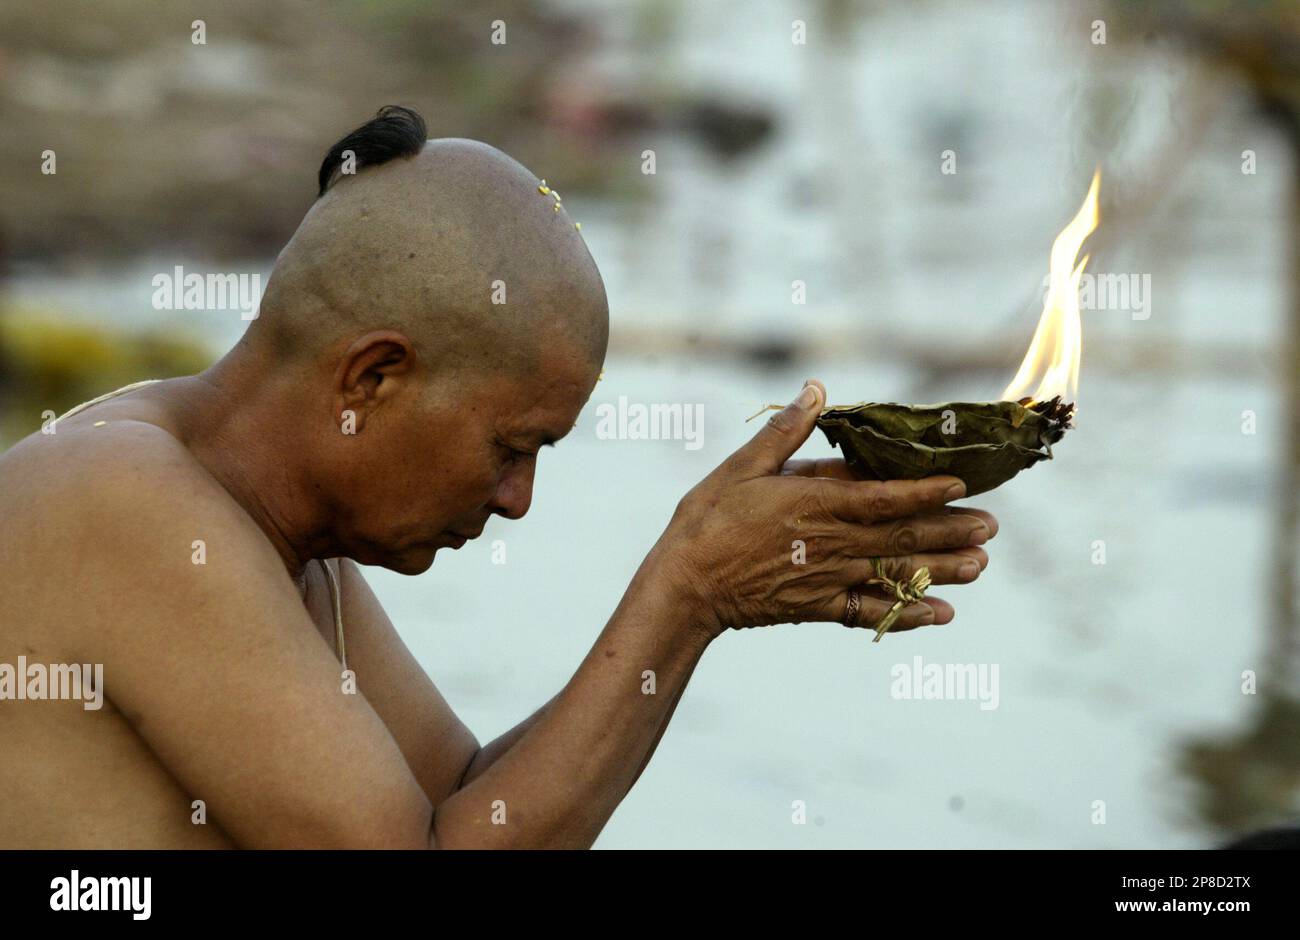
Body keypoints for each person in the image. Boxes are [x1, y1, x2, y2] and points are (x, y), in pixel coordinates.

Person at [0, 106, 996, 848]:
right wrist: (689, 591)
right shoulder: (126, 499)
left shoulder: (280, 535)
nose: (517, 500)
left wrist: (706, 596)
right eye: (511, 448)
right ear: (374, 377)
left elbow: (467, 801)